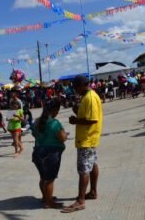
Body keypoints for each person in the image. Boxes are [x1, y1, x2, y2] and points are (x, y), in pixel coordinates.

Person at [63, 74, 102, 214]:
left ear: (82, 85)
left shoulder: (90, 98)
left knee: (84, 170)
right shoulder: (87, 96)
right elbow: (86, 115)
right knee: (92, 165)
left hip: (87, 138)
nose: (74, 90)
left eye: (75, 87)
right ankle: (92, 192)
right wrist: (77, 111)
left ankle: (80, 200)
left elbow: (92, 119)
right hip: (90, 138)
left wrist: (75, 121)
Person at [31, 98, 67, 209]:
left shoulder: (37, 121)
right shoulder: (54, 123)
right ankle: (49, 202)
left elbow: (34, 134)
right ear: (55, 109)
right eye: (57, 110)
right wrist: (65, 135)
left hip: (38, 152)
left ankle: (45, 197)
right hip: (51, 154)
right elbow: (62, 138)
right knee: (49, 180)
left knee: (43, 177)